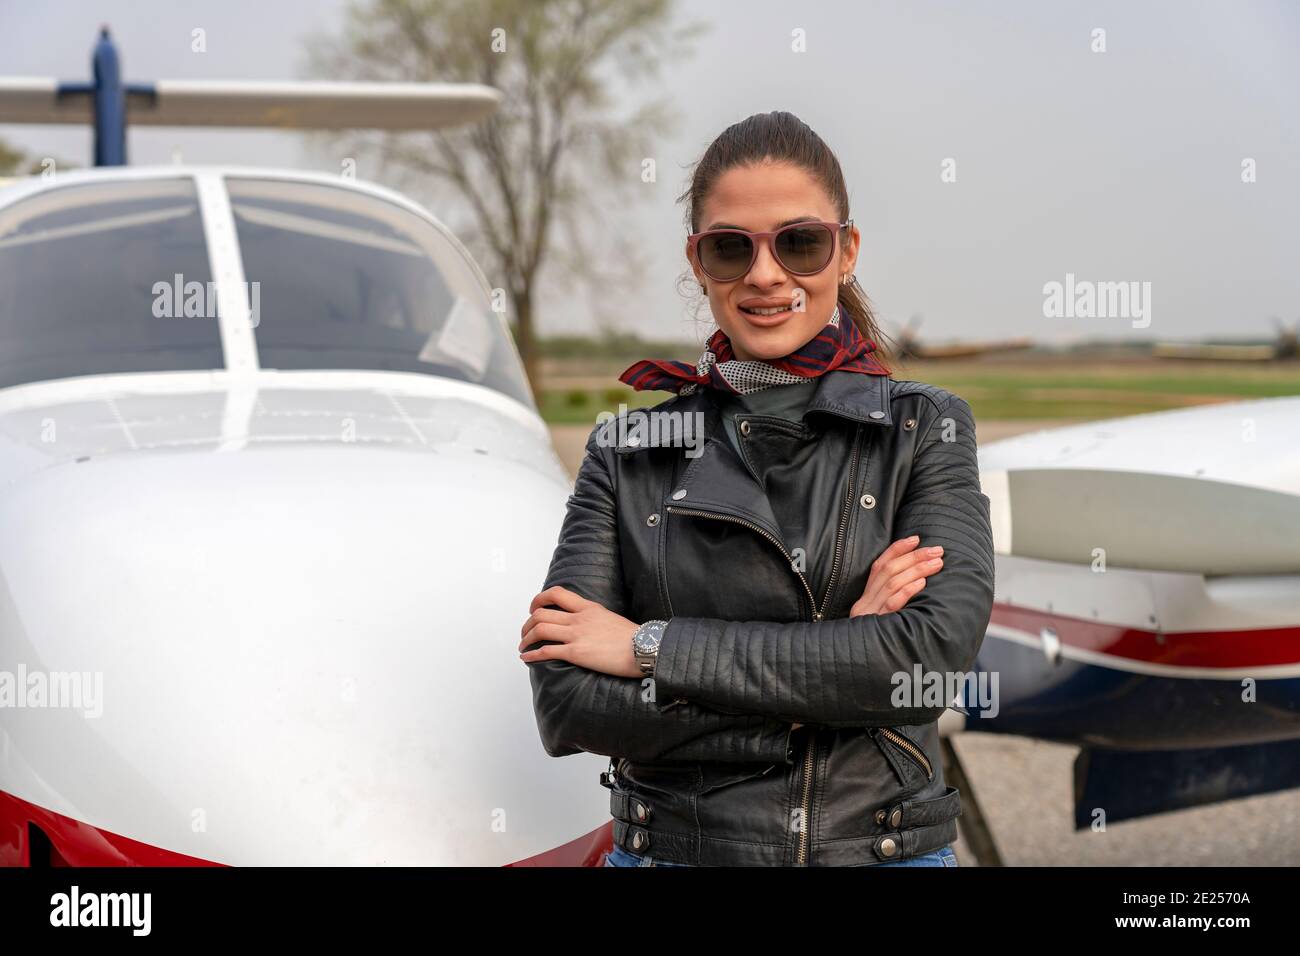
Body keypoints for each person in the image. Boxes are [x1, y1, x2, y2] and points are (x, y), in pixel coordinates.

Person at [520, 111, 994, 867]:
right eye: (731, 247)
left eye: (799, 242)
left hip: (879, 853)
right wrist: (836, 676)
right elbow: (567, 705)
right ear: (698, 260)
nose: (767, 274)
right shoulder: (627, 449)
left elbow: (921, 667)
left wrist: (648, 647)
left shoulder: (925, 428)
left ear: (846, 251)